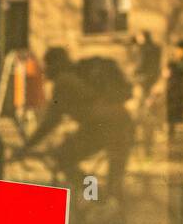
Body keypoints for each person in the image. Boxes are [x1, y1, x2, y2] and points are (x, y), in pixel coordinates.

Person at [21, 46, 135, 200]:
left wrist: (27, 147)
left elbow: (51, 121)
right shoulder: (75, 76)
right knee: (114, 182)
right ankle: (104, 203)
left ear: (55, 63)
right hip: (119, 122)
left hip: (106, 126)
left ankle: (97, 198)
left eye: (48, 64)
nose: (46, 69)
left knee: (63, 158)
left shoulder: (64, 82)